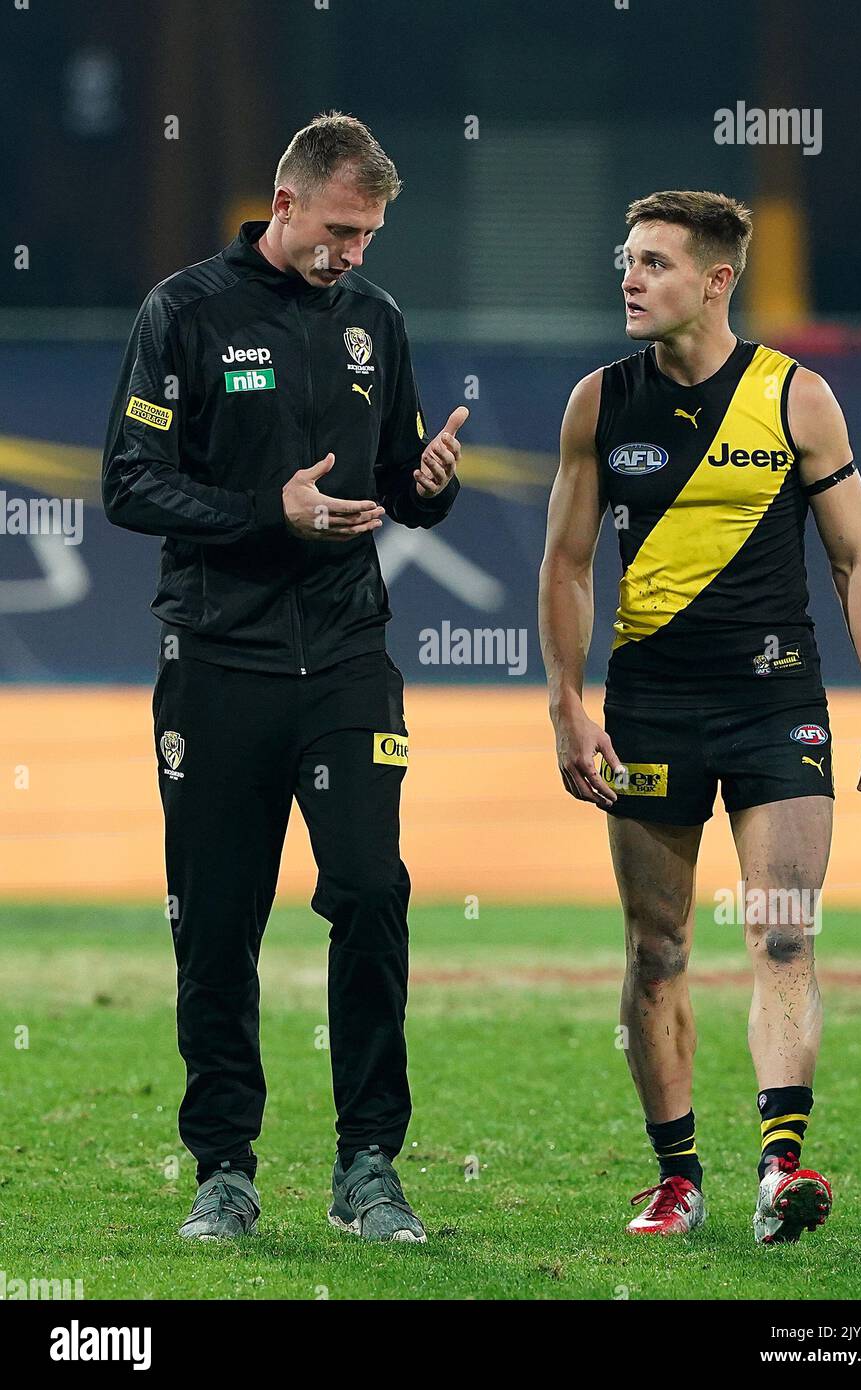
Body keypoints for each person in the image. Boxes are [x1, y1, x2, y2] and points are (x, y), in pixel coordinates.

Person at [102, 111, 468, 1243]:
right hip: (217, 659)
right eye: (342, 229)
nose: (353, 253)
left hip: (350, 654)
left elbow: (398, 480)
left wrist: (429, 482)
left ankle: (370, 1166)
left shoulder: (377, 320)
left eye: (369, 236)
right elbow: (127, 483)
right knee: (218, 921)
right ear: (287, 199)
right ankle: (225, 1167)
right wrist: (273, 512)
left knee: (369, 890)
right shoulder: (186, 311)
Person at [538, 190, 861, 1243]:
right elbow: (566, 564)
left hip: (776, 703)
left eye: (655, 263)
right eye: (628, 259)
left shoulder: (798, 398)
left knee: (783, 935)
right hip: (650, 706)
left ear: (716, 281)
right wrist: (567, 705)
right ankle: (677, 1178)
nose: (631, 277)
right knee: (657, 949)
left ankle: (778, 1171)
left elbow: (858, 558)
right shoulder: (598, 404)